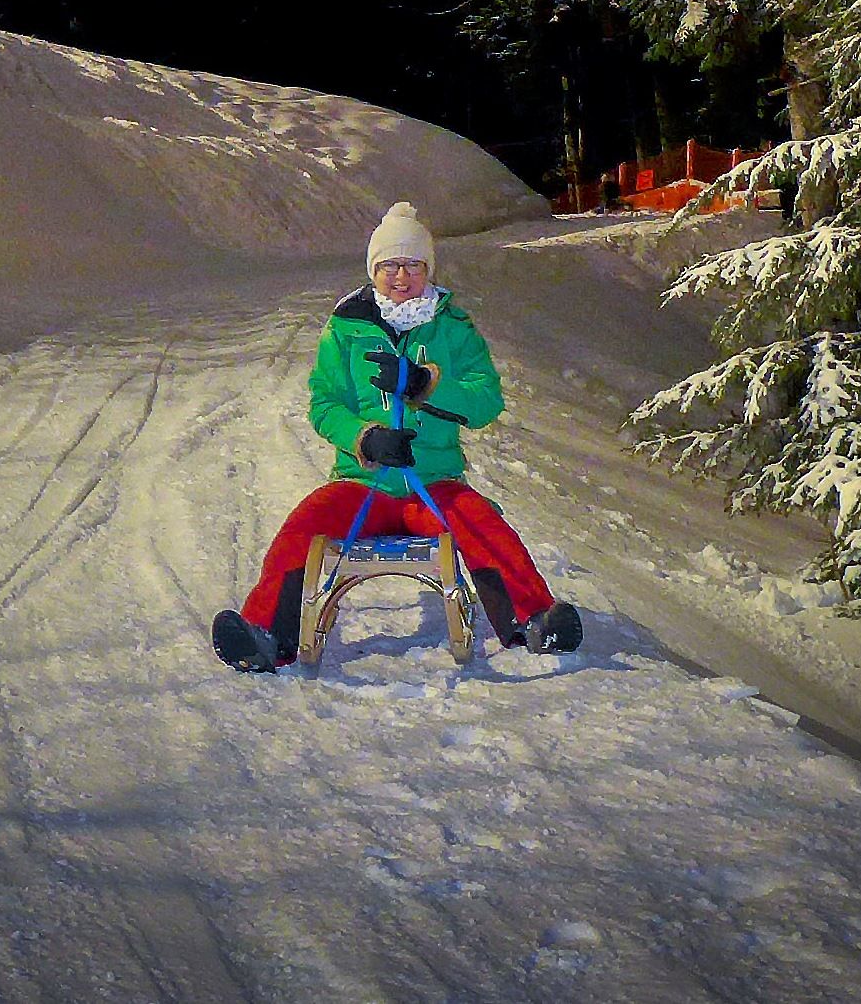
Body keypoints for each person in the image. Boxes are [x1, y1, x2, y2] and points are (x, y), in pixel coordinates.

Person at [212, 201, 583, 671]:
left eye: (411, 264)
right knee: (304, 525)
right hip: (362, 484)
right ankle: (264, 633)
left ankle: (534, 620)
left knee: (482, 523)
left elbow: (486, 399)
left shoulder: (454, 327)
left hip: (434, 484)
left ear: (427, 268)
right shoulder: (346, 328)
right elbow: (324, 404)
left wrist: (425, 385)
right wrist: (365, 439)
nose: (401, 276)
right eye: (389, 265)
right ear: (373, 269)